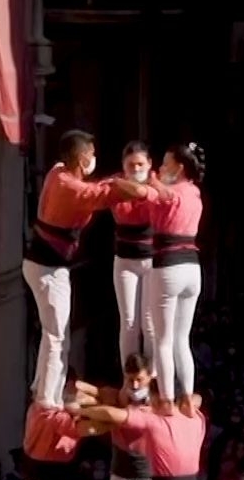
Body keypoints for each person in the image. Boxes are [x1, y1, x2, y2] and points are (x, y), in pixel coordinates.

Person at [23, 130, 149, 407]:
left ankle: (40, 386)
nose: (94, 158)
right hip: (50, 269)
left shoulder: (57, 172)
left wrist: (112, 181)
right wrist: (127, 182)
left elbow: (99, 186)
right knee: (58, 337)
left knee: (51, 332)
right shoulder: (76, 191)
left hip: (39, 264)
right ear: (82, 159)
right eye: (91, 154)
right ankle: (48, 399)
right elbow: (134, 192)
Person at [144, 143, 205, 399]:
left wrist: (151, 181)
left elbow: (164, 196)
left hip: (169, 266)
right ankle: (188, 396)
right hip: (192, 268)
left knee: (163, 340)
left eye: (165, 164)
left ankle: (167, 399)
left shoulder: (170, 193)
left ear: (179, 168)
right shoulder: (195, 193)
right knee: (182, 339)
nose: (160, 168)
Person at [111, 142, 156, 368]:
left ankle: (153, 376)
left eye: (140, 164)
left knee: (149, 323)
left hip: (152, 261)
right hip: (125, 261)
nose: (136, 169)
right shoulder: (114, 185)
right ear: (123, 166)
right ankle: (129, 377)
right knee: (129, 322)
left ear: (149, 164)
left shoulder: (157, 185)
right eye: (131, 165)